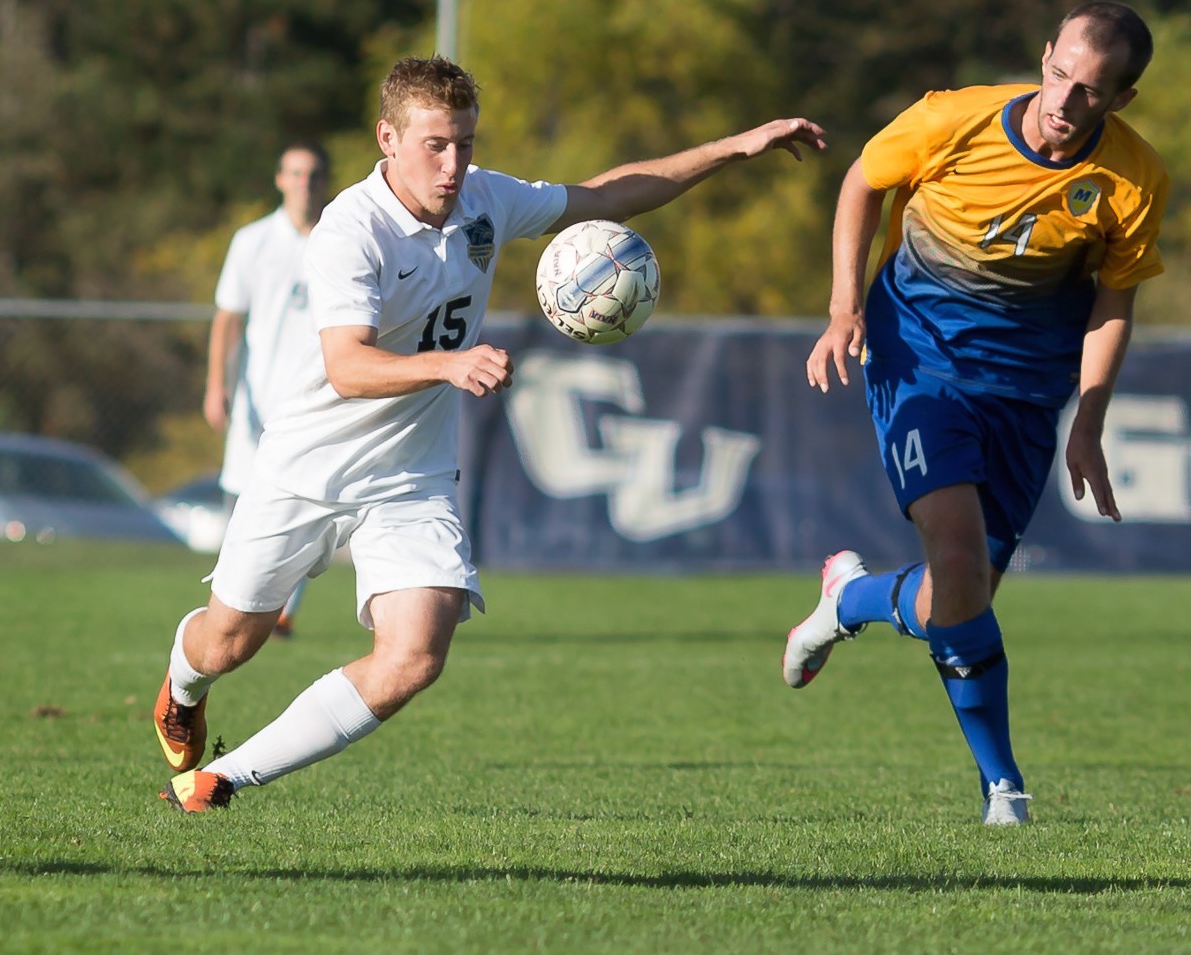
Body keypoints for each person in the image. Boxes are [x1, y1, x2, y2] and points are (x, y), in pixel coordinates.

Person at [155, 54, 826, 812]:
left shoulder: (484, 200)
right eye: (434, 144)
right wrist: (449, 363)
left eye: (465, 143)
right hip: (306, 468)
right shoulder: (351, 229)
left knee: (414, 654)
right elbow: (345, 366)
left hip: (409, 474)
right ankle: (182, 690)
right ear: (387, 138)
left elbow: (609, 193)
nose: (453, 164)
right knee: (228, 643)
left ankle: (222, 778)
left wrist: (734, 147)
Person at [784, 1, 1168, 826]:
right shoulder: (949, 120)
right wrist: (844, 308)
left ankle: (848, 599)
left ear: (1120, 101)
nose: (1063, 102)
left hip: (1027, 391)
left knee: (959, 600)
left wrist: (1088, 420)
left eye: (1090, 92)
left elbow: (1112, 300)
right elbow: (861, 180)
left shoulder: (1133, 180)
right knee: (956, 567)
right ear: (1043, 57)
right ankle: (1005, 788)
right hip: (917, 360)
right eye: (1058, 74)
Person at [201, 140, 331, 638]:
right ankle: (231, 603)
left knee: (310, 505)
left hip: (320, 399)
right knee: (243, 503)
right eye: (295, 174)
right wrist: (218, 386)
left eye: (313, 174)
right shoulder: (252, 241)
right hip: (259, 399)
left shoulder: (341, 239)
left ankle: (283, 611)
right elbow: (228, 319)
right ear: (280, 180)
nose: (304, 183)